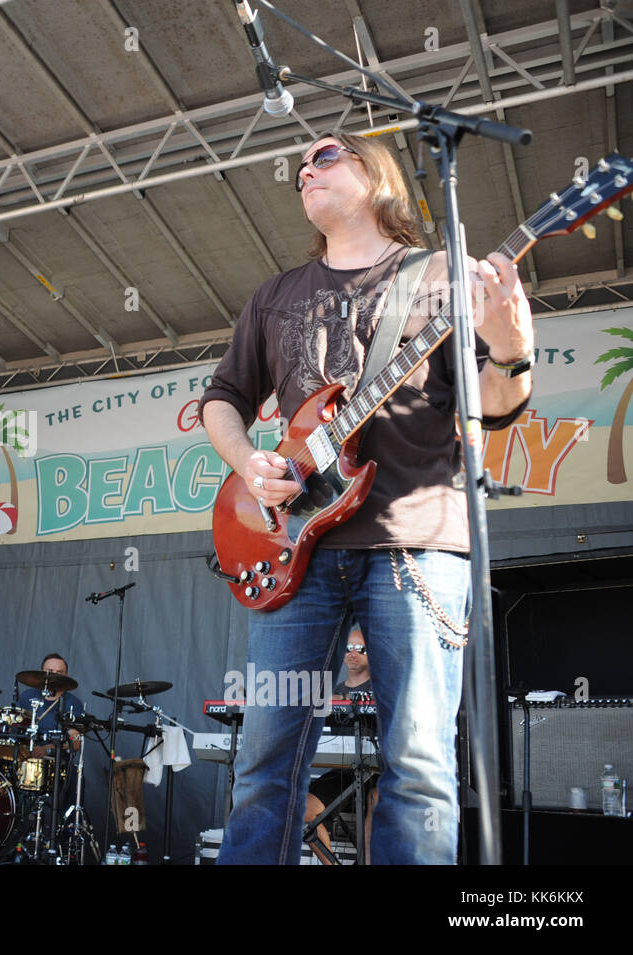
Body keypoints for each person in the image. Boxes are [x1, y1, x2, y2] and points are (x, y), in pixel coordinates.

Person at [201, 132, 533, 865]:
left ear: (376, 172)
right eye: (297, 170)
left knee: (416, 764)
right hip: (294, 554)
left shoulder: (446, 277)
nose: (303, 172)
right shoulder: (277, 295)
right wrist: (250, 463)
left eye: (323, 156)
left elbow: (500, 403)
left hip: (414, 544)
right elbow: (221, 398)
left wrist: (511, 348)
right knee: (264, 762)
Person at [304, 624, 379, 863]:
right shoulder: (333, 692)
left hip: (378, 771)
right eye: (348, 648)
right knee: (304, 808)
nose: (352, 653)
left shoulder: (381, 690)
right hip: (344, 772)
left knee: (379, 798)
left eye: (360, 648)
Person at [16, 653, 85, 753]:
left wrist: (47, 749)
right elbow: (14, 727)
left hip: (54, 762)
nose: (54, 675)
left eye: (59, 672)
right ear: (42, 673)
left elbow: (75, 742)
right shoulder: (27, 697)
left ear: (66, 676)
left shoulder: (73, 703)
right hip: (24, 756)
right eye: (50, 671)